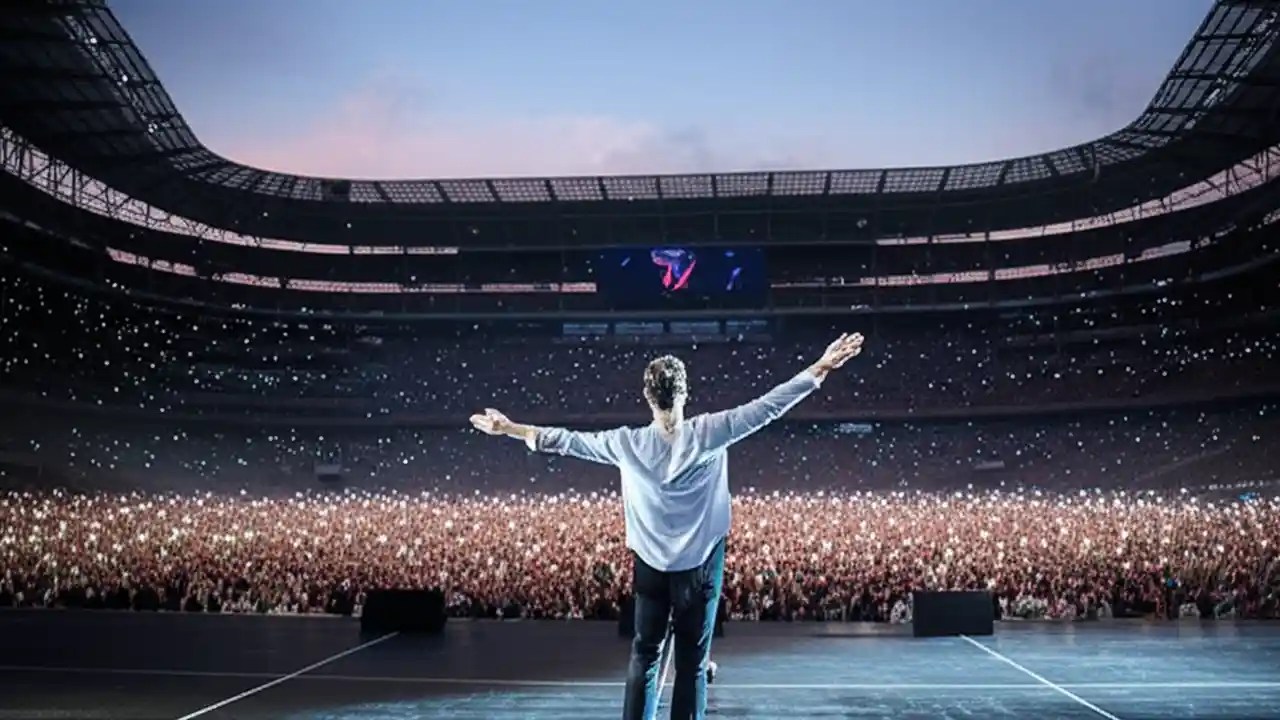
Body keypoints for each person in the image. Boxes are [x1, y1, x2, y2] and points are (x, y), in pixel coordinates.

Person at [470, 332, 865, 719]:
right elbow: (769, 406)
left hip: (651, 566)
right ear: (685, 394)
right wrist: (821, 367)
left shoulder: (626, 444)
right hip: (700, 565)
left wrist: (511, 429)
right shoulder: (711, 432)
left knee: (645, 654)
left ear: (647, 397)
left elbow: (566, 441)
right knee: (692, 662)